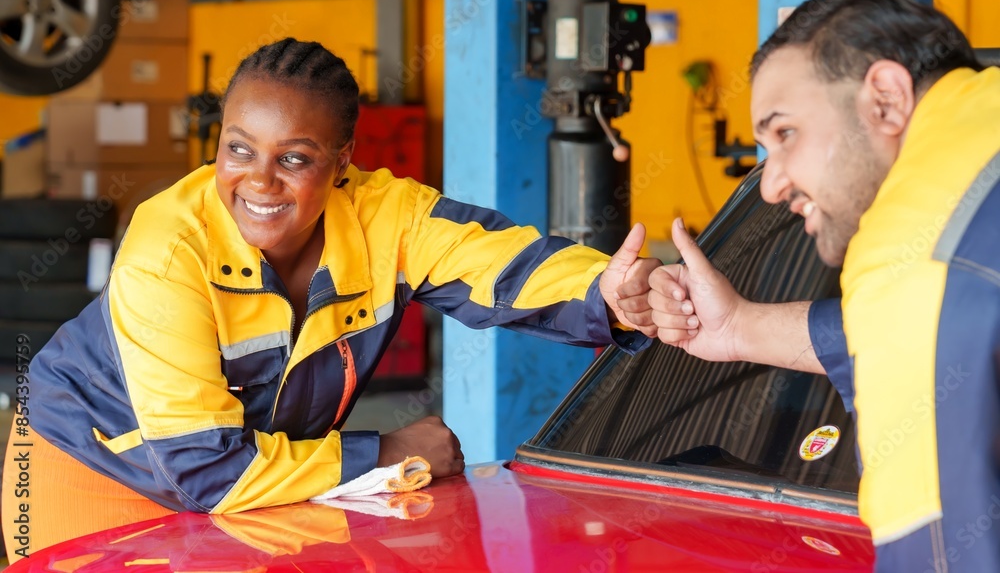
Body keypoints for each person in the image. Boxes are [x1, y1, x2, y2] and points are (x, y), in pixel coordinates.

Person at [1, 38, 660, 560]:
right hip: (87, 469)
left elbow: (502, 266)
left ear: (343, 161)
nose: (259, 181)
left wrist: (608, 292)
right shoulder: (168, 248)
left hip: (258, 479)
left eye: (294, 158)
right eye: (239, 148)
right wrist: (386, 453)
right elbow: (205, 472)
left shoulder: (385, 218)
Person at [646, 0, 1000, 572]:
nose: (770, 185)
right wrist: (739, 327)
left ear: (886, 100)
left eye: (785, 134)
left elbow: (943, 551)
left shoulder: (919, 256)